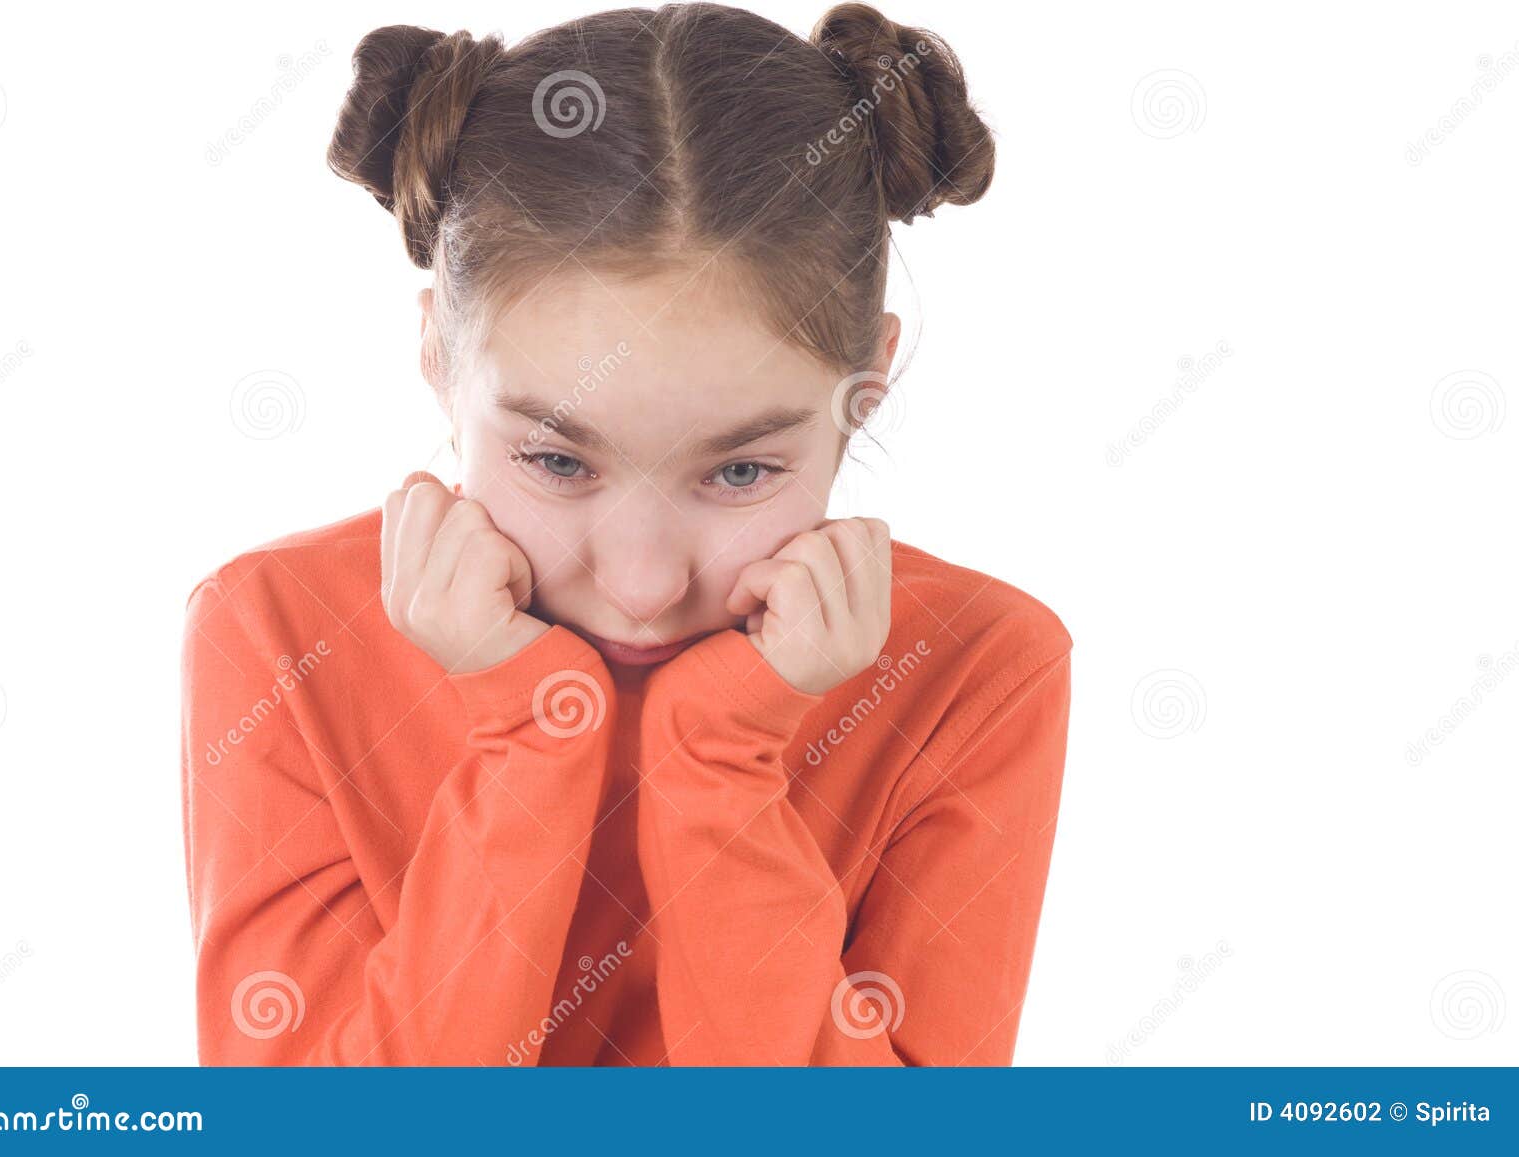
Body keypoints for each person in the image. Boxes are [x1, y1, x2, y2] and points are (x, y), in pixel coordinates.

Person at [180, 1, 1073, 1066]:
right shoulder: (278, 631)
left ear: (863, 389)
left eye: (740, 469)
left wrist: (722, 758)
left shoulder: (975, 668)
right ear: (437, 355)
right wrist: (526, 736)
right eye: (558, 462)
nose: (644, 583)